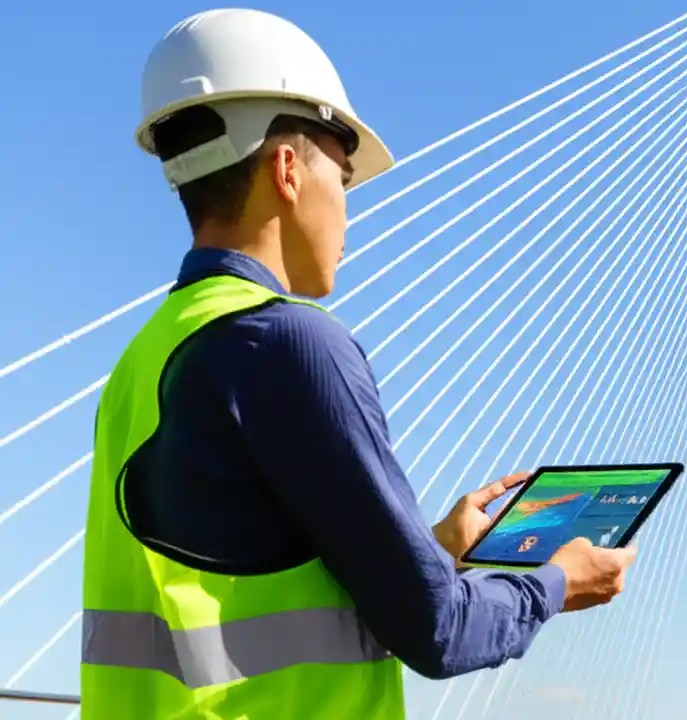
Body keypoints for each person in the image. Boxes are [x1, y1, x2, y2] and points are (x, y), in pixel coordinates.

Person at [80, 8, 636, 719]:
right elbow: (441, 632)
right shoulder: (289, 342)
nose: (348, 212)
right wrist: (557, 582)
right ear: (287, 170)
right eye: (344, 180)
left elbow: (234, 580)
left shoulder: (145, 359)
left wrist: (435, 550)